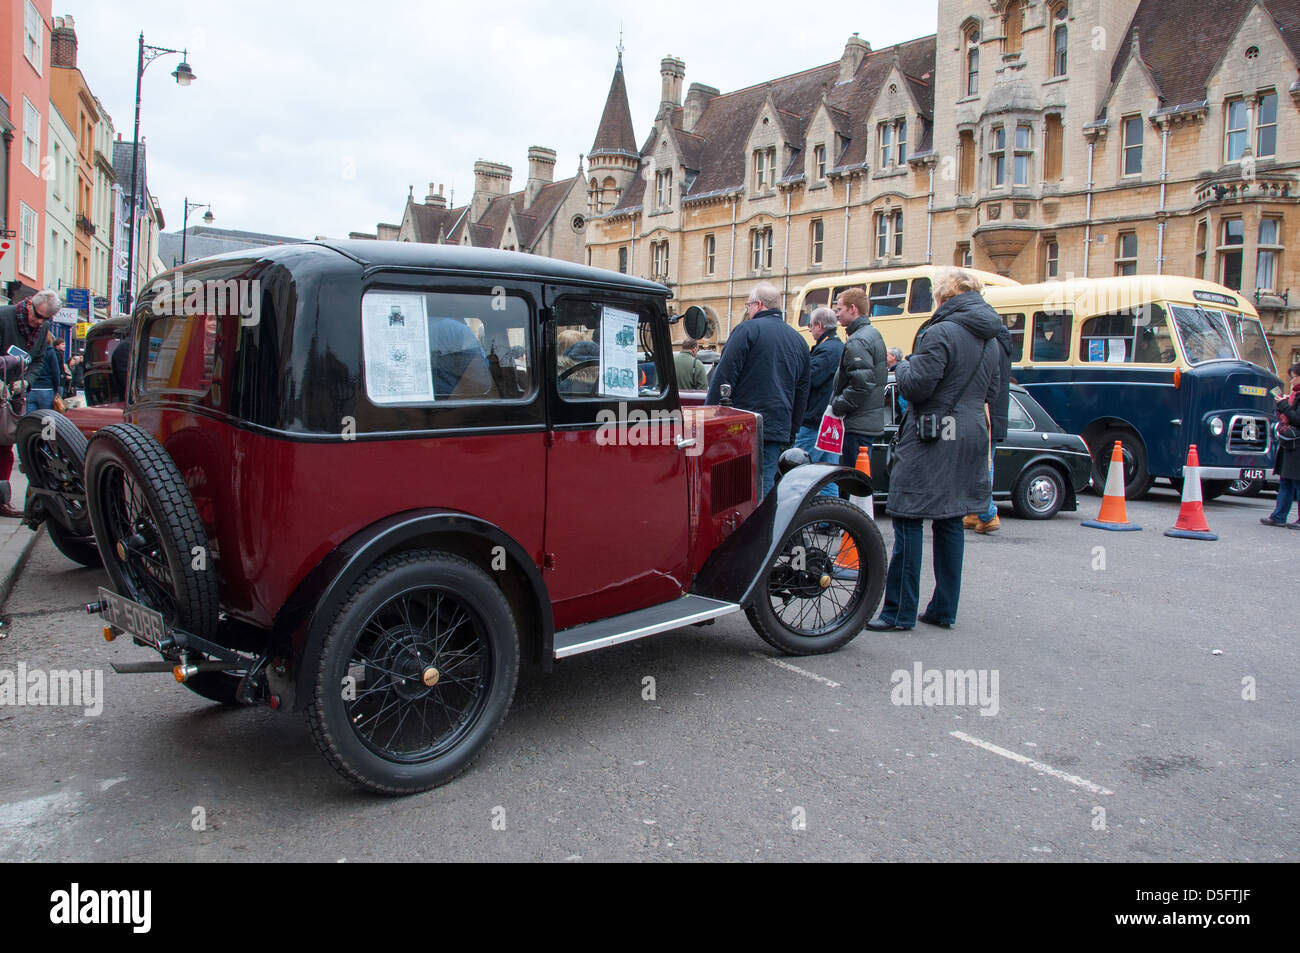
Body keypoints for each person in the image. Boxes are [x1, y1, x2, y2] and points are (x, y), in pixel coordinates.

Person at [868, 268, 1002, 631]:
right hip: (971, 431)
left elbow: (916, 387)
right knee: (949, 519)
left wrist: (907, 363)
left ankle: (899, 612)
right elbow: (993, 392)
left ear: (944, 298)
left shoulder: (940, 331)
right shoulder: (990, 338)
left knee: (908, 516)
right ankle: (944, 609)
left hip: (934, 432)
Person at [705, 282, 810, 496]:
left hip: (742, 423)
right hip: (777, 425)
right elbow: (802, 390)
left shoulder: (746, 330)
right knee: (764, 481)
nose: (748, 310)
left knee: (734, 484)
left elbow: (725, 375)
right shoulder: (799, 341)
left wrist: (710, 416)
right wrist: (792, 429)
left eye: (748, 305)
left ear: (758, 305)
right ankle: (765, 527)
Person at [829, 287, 887, 492]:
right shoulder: (870, 334)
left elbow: (862, 383)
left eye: (840, 308)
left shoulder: (858, 340)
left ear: (853, 309)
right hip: (865, 420)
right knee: (859, 483)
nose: (837, 314)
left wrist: (837, 405)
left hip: (856, 423)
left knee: (852, 484)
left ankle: (850, 524)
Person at [964, 319, 1013, 533]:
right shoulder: (1001, 344)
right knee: (983, 464)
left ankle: (988, 512)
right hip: (995, 414)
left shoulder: (991, 345)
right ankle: (977, 512)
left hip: (986, 415)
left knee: (981, 466)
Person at [792, 307, 844, 496]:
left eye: (811, 325)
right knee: (827, 474)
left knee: (798, 472)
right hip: (830, 420)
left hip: (815, 420)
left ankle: (796, 520)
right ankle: (830, 521)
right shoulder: (838, 346)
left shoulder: (827, 350)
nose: (809, 330)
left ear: (819, 326)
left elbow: (810, 380)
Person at [1262, 361, 1300, 528]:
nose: (1291, 381)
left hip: (1297, 445)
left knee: (1297, 483)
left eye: (1293, 377)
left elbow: (1298, 419)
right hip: (1291, 445)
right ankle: (1278, 516)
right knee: (1286, 481)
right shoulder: (1295, 395)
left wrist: (1284, 405)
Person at [28, 332, 62, 411]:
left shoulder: (30, 350)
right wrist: (56, 388)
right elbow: (55, 372)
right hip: (46, 388)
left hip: (31, 388)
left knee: (30, 419)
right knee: (46, 419)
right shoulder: (50, 351)